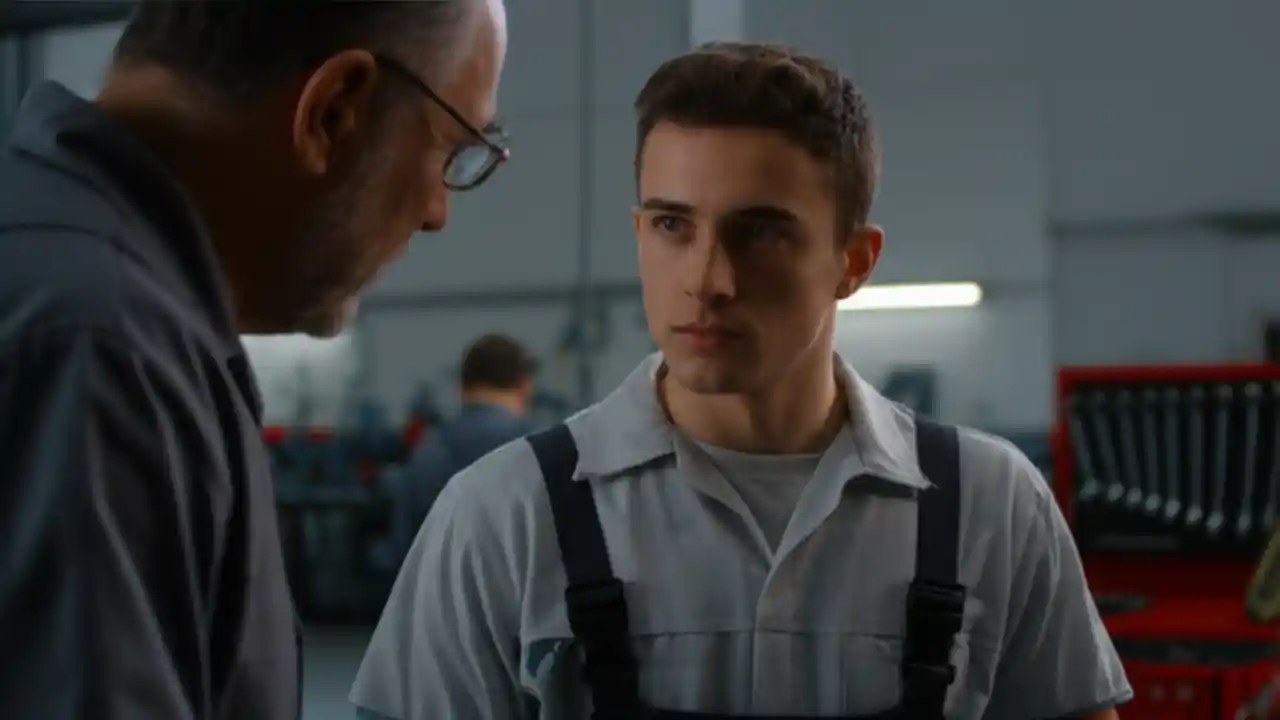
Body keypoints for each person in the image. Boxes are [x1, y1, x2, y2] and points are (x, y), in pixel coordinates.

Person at [352, 43, 1130, 719]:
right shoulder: (504, 521)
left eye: (760, 232)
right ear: (639, 234)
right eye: (672, 225)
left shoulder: (992, 508)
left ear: (855, 260)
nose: (708, 279)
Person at [0, 1, 506, 717]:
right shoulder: (101, 348)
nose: (435, 213)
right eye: (452, 152)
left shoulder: (71, 279)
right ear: (334, 110)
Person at [384, 333, 538, 565]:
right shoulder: (542, 452)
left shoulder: (428, 453)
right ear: (525, 388)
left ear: (461, 387)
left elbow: (403, 551)